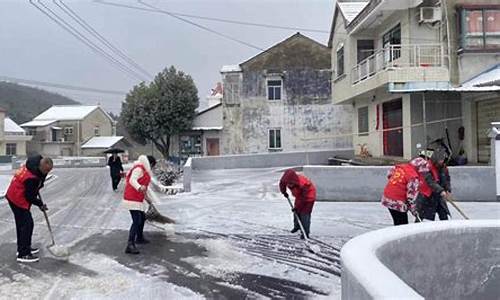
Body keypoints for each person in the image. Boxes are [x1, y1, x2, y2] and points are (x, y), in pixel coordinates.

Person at [6, 155, 53, 263]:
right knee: (27, 224)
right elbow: (29, 197)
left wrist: (39, 185)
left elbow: (36, 186)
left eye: (49, 171)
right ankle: (23, 254)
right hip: (17, 199)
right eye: (46, 171)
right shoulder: (31, 178)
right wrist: (40, 204)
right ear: (40, 166)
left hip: (13, 193)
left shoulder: (34, 164)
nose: (47, 173)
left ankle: (23, 248)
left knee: (22, 224)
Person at [123, 155, 157, 254]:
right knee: (136, 220)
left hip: (138, 198)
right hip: (131, 198)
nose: (152, 168)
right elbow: (132, 180)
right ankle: (130, 244)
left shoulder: (145, 171)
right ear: (149, 164)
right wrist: (139, 187)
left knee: (141, 218)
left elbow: (144, 187)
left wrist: (148, 199)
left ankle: (139, 238)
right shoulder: (139, 169)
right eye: (153, 166)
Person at [414, 147, 452, 221]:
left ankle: (444, 228)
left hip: (438, 196)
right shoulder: (427, 167)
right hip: (427, 195)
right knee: (422, 216)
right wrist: (441, 190)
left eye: (443, 159)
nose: (441, 161)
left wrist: (448, 189)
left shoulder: (444, 168)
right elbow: (430, 182)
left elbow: (447, 179)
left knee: (443, 214)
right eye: (440, 160)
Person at [381, 161, 421, 225]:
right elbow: (411, 197)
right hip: (398, 201)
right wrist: (414, 211)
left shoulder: (402, 167)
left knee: (397, 221)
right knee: (402, 225)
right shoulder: (413, 177)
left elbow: (389, 174)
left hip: (387, 197)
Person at [279, 169, 316, 239]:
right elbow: (282, 183)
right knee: (296, 212)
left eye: (290, 183)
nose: (289, 185)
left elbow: (303, 199)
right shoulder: (287, 180)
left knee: (305, 215)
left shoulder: (303, 184)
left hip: (308, 197)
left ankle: (305, 232)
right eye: (288, 183)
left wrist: (297, 207)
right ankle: (297, 227)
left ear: (294, 181)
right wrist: (284, 192)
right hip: (299, 196)